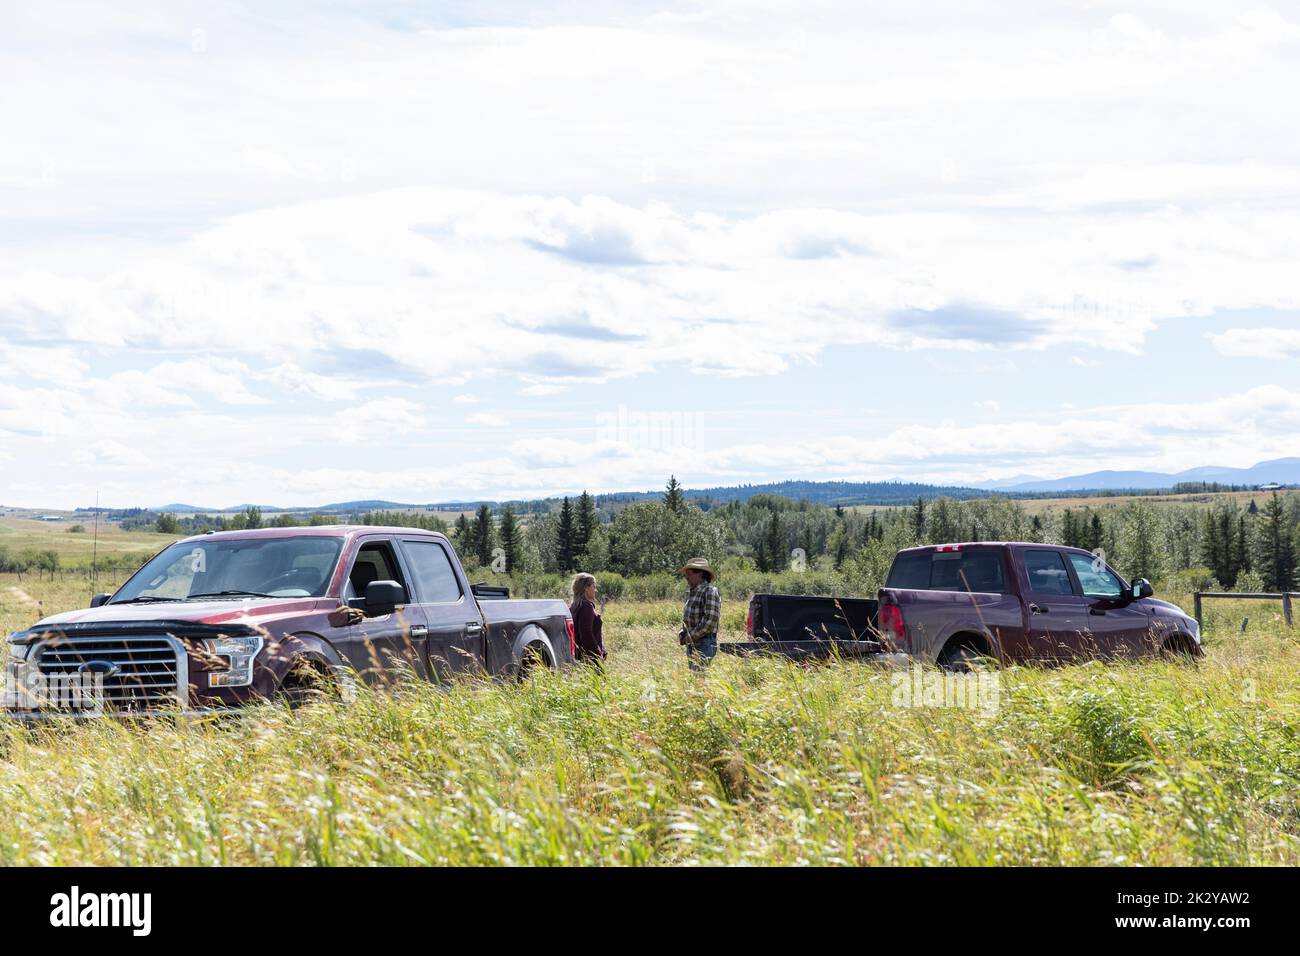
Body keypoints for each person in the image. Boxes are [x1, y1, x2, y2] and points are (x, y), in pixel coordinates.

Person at [677, 557, 720, 672]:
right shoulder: (692, 592)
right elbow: (690, 618)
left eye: (689, 574)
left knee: (699, 680)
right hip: (694, 644)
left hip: (704, 644)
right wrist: (683, 633)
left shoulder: (710, 591)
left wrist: (689, 637)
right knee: (696, 680)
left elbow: (709, 622)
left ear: (700, 574)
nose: (686, 577)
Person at [569, 572, 606, 668]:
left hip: (580, 657)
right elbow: (586, 634)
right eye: (594, 586)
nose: (595, 590)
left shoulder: (574, 606)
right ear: (586, 588)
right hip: (590, 659)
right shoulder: (586, 607)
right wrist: (597, 655)